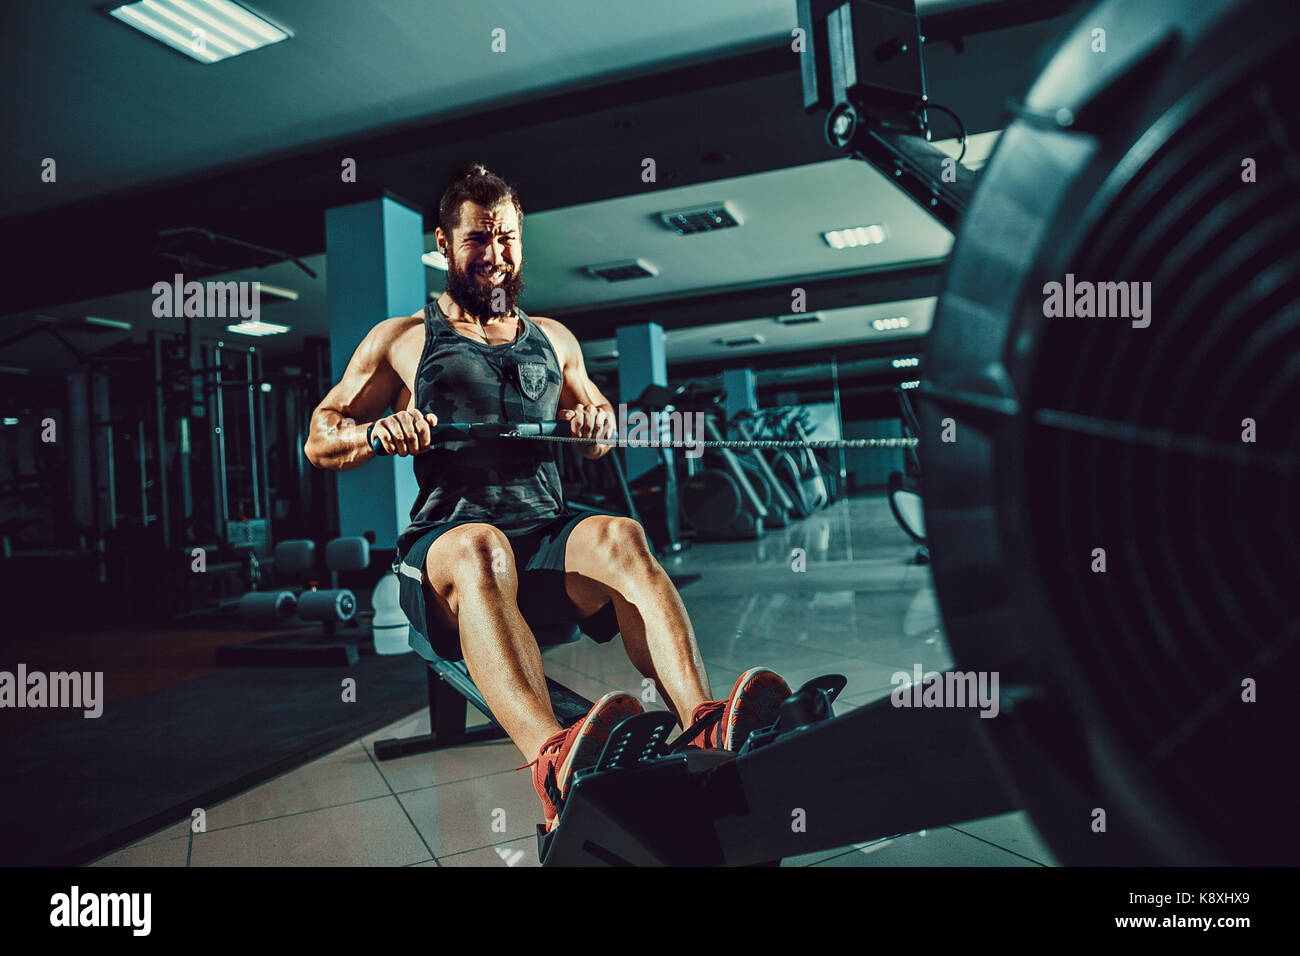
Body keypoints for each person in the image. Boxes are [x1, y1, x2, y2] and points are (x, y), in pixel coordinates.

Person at [305, 162, 790, 831]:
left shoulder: (554, 339)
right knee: (483, 546)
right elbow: (320, 438)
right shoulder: (401, 339)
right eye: (478, 239)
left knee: (621, 534)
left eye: (507, 238)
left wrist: (595, 424)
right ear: (443, 245)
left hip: (542, 545)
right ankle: (552, 761)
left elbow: (598, 432)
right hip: (448, 552)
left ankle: (703, 727)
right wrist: (375, 430)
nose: (496, 256)